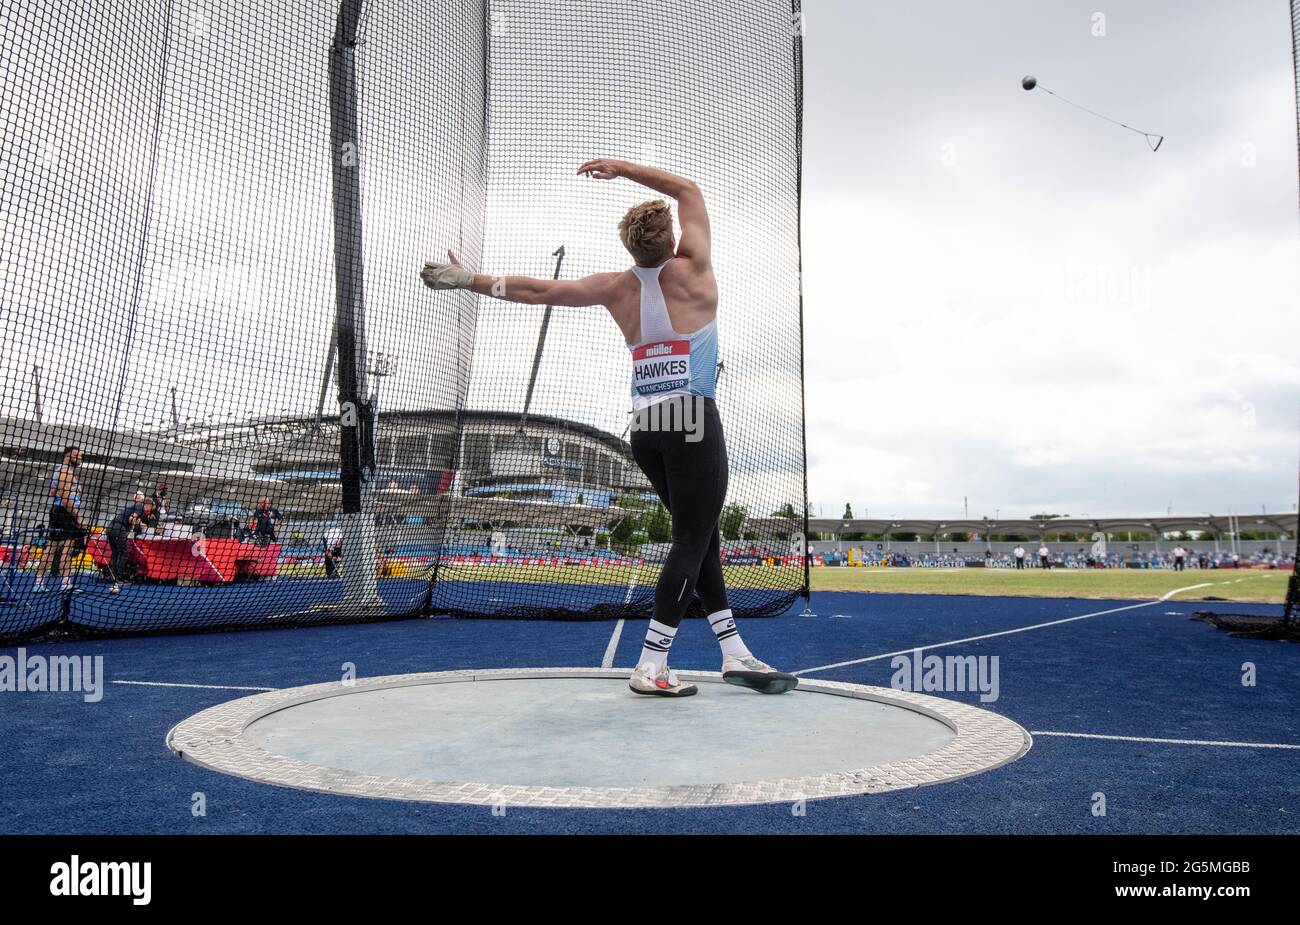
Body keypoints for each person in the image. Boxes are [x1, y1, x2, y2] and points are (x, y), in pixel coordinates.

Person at [421, 157, 795, 697]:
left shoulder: (615, 287)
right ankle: (650, 664)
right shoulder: (695, 271)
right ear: (673, 239)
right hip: (691, 417)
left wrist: (467, 280)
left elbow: (538, 292)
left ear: (631, 248)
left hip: (645, 425)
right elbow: (688, 185)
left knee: (703, 535)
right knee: (691, 538)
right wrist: (620, 168)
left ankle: (734, 653)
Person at [35, 446, 87, 592]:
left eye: (81, 455)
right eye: (76, 455)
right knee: (67, 547)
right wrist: (78, 516)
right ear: (67, 456)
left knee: (51, 548)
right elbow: (65, 498)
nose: (80, 458)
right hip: (65, 512)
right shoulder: (64, 472)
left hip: (59, 511)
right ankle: (65, 584)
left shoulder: (63, 471)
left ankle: (39, 584)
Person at [105, 498, 158, 593]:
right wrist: (133, 525)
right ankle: (118, 578)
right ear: (148, 504)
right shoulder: (140, 507)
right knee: (124, 552)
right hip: (119, 528)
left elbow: (136, 520)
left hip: (110, 528)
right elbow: (132, 518)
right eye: (151, 507)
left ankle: (113, 578)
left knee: (116, 553)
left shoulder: (136, 508)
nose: (150, 510)